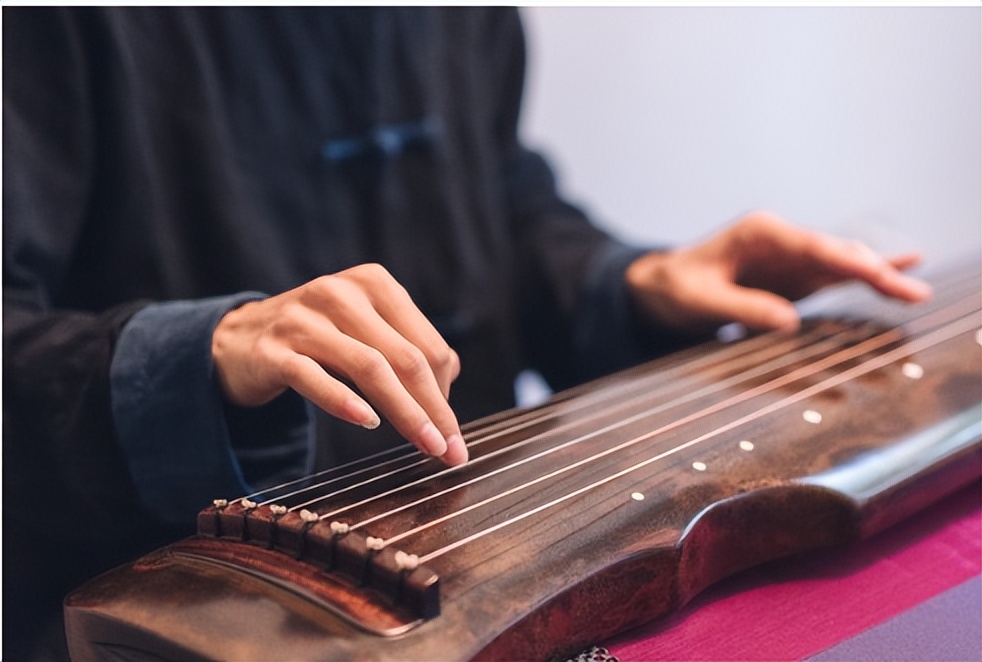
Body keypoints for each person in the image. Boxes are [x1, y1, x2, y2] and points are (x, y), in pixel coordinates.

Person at [2, 7, 930, 660]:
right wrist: (206, 350)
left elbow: (503, 211)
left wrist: (636, 282)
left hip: (479, 557)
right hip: (179, 602)